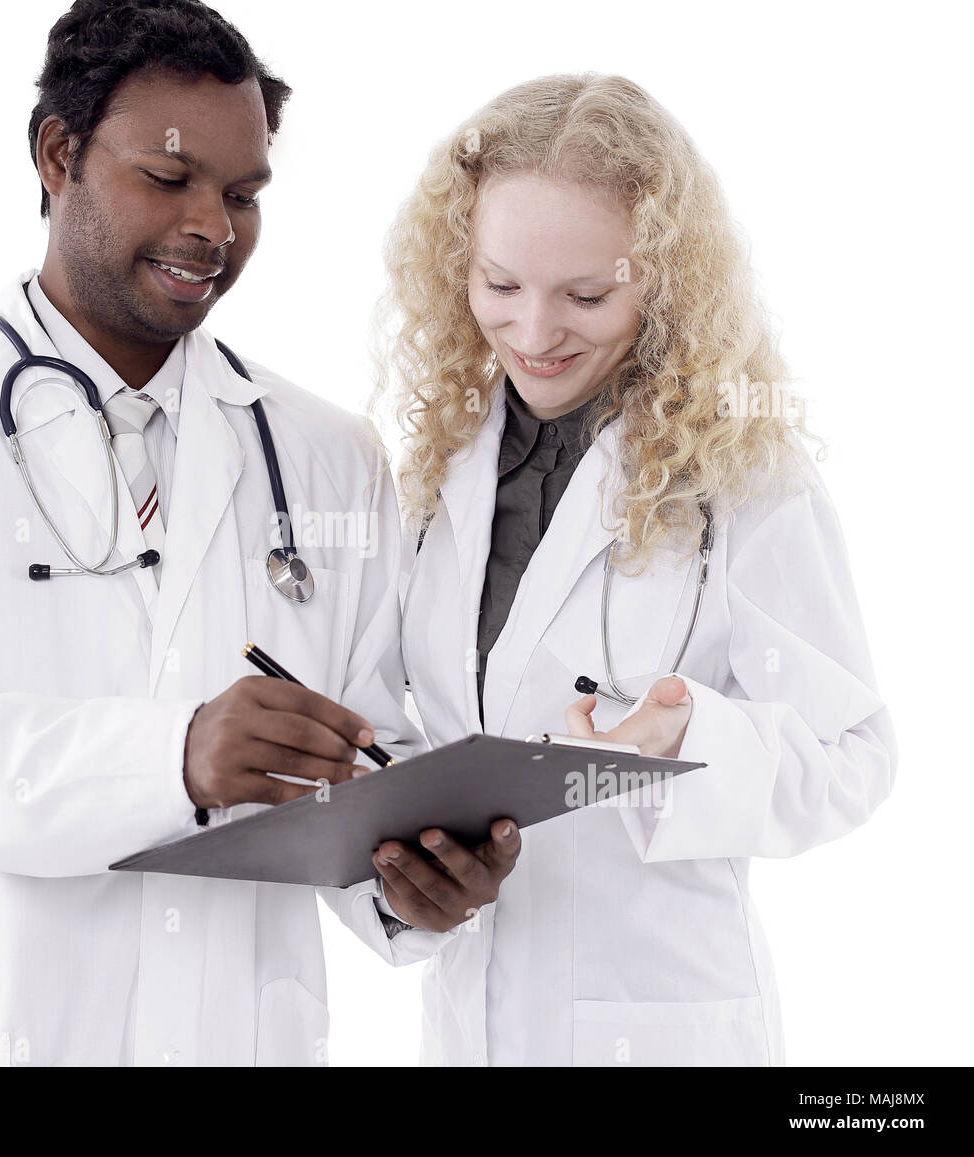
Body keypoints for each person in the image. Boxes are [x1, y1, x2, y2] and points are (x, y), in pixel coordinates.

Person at [0, 0, 515, 1067]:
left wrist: (417, 879)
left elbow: (370, 746)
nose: (212, 226)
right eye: (169, 179)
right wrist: (170, 755)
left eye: (245, 193)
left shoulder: (324, 452)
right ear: (58, 154)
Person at [373, 72, 897, 1066]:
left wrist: (689, 739)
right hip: (471, 1019)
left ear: (658, 272)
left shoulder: (744, 474)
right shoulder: (439, 467)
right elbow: (408, 728)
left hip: (660, 1027)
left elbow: (853, 755)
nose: (533, 333)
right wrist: (405, 868)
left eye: (585, 294)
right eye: (499, 285)